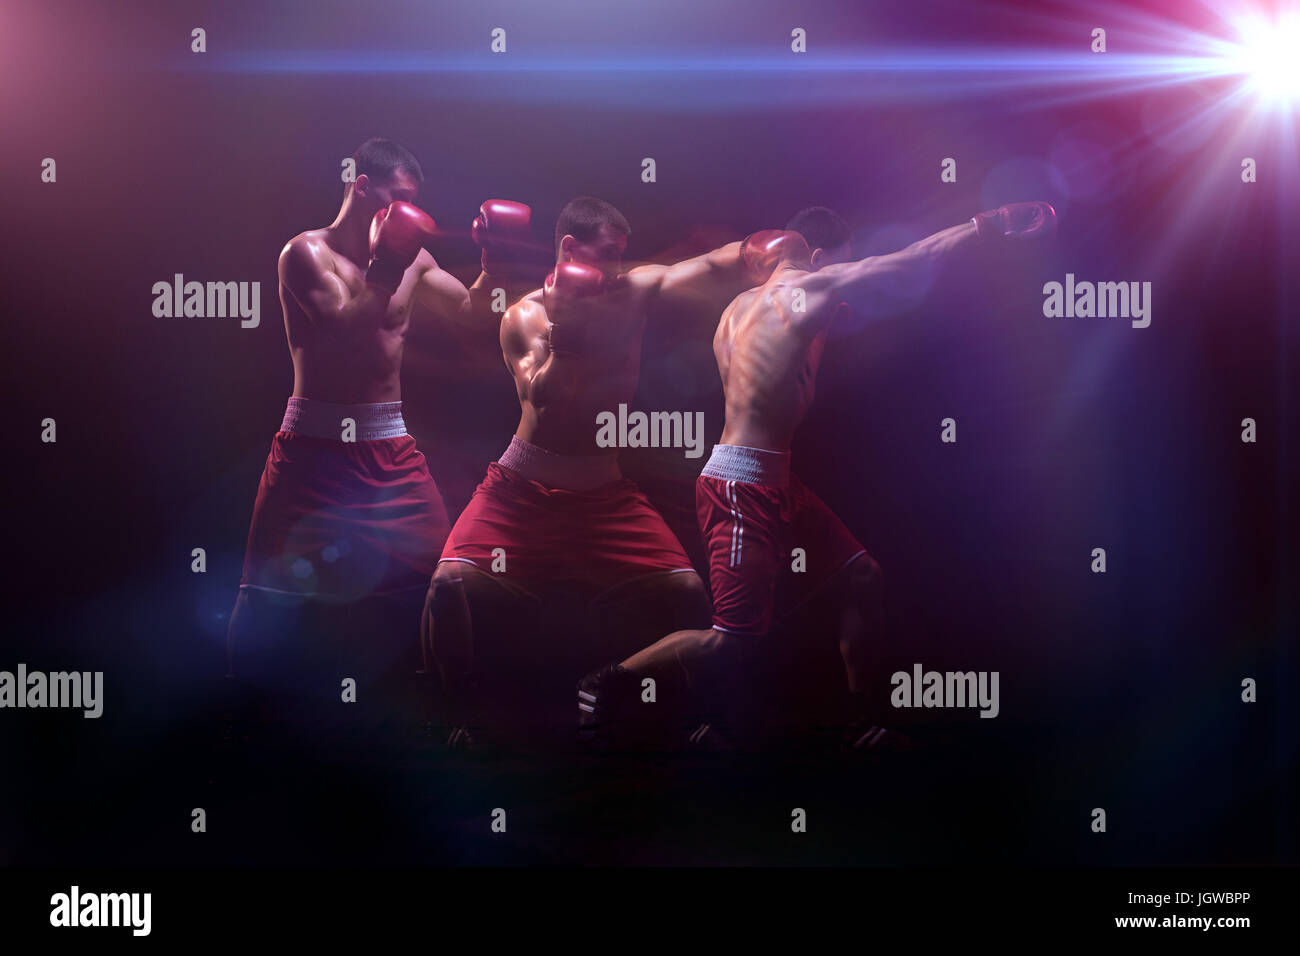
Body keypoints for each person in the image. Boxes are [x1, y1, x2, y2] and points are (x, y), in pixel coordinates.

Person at [577, 202, 1058, 749]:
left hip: (773, 477)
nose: (843, 278)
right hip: (742, 485)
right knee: (733, 639)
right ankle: (608, 681)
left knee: (860, 577)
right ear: (821, 257)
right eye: (840, 264)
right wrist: (986, 225)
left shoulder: (739, 306)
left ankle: (858, 724)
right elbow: (912, 259)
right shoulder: (808, 290)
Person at [424, 196, 794, 745]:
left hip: (605, 492)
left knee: (688, 594)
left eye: (622, 254)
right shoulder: (523, 315)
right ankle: (456, 717)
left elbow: (704, 269)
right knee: (446, 588)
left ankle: (680, 718)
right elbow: (543, 400)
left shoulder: (632, 291)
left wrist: (755, 253)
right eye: (607, 254)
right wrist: (567, 331)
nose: (618, 267)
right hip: (522, 489)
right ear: (570, 249)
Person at [226, 137, 531, 736]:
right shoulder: (304, 254)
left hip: (388, 445)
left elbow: (473, 314)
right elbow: (344, 331)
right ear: (361, 185)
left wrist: (497, 263)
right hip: (311, 446)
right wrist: (388, 264)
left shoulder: (413, 258)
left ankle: (453, 716)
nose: (406, 211)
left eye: (412, 200)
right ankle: (237, 725)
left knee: (444, 581)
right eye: (398, 196)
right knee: (262, 588)